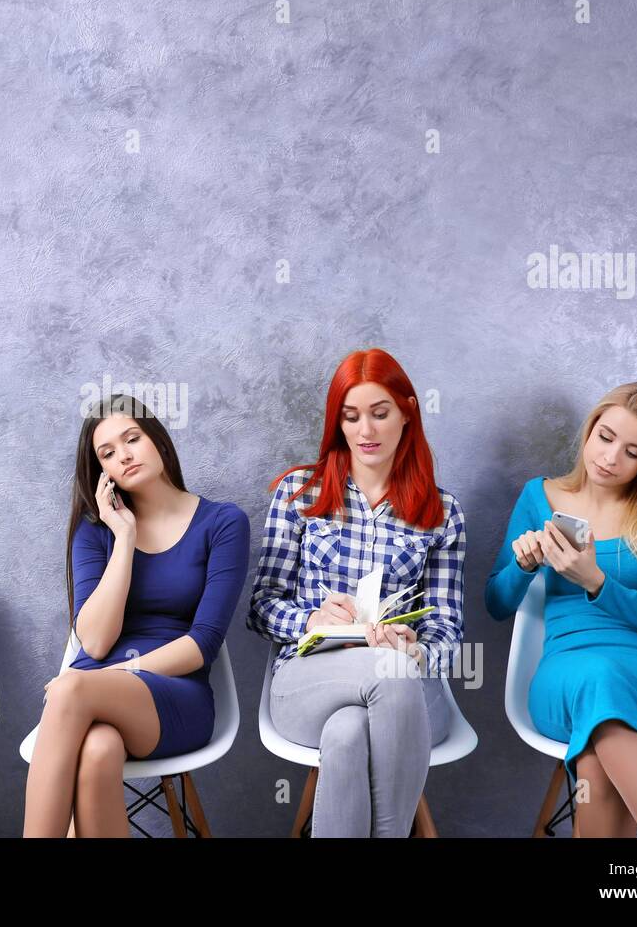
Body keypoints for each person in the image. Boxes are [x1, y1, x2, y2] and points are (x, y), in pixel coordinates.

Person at [249, 348, 465, 837]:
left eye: (380, 413)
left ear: (407, 413)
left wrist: (417, 647)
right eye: (351, 417)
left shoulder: (443, 512)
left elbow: (447, 629)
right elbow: (261, 608)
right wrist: (310, 620)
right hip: (308, 680)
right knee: (381, 676)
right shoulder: (300, 493)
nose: (366, 431)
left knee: (347, 735)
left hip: (408, 688)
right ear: (337, 424)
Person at [485, 382, 637, 837]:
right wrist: (524, 566)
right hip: (569, 670)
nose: (610, 459)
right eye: (605, 438)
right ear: (590, 430)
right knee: (599, 679)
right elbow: (496, 604)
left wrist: (596, 581)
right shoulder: (539, 498)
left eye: (632, 452)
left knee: (596, 753)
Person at [23, 393, 251, 837]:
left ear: (159, 442)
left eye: (132, 439)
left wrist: (120, 675)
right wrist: (123, 537)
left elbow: (203, 643)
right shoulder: (95, 531)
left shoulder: (223, 523)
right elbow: (95, 644)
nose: (123, 455)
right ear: (102, 472)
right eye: (107, 453)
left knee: (70, 688)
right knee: (98, 750)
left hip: (173, 694)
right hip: (93, 686)